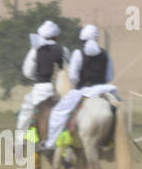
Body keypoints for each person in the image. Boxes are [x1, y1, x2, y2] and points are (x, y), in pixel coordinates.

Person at [43, 24, 117, 152]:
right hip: (105, 89)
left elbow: (73, 77)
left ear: (83, 39)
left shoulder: (78, 53)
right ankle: (112, 141)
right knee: (117, 108)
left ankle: (51, 144)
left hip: (84, 90)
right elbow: (110, 75)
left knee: (58, 112)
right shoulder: (106, 54)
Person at [14, 20, 64, 157]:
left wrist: (36, 77)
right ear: (56, 37)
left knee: (25, 112)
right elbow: (69, 70)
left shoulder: (35, 49)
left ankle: (19, 143)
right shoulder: (62, 49)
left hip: (41, 88)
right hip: (60, 90)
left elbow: (27, 72)